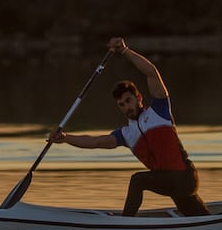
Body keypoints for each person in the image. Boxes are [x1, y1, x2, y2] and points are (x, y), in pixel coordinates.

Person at [49, 37, 210, 217]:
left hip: (184, 176)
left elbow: (152, 72)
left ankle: (125, 223)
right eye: (121, 105)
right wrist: (65, 138)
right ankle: (216, 223)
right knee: (199, 219)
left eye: (129, 101)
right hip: (171, 183)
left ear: (138, 98)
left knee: (138, 180)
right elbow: (94, 142)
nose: (127, 107)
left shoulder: (159, 111)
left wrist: (125, 51)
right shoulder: (127, 134)